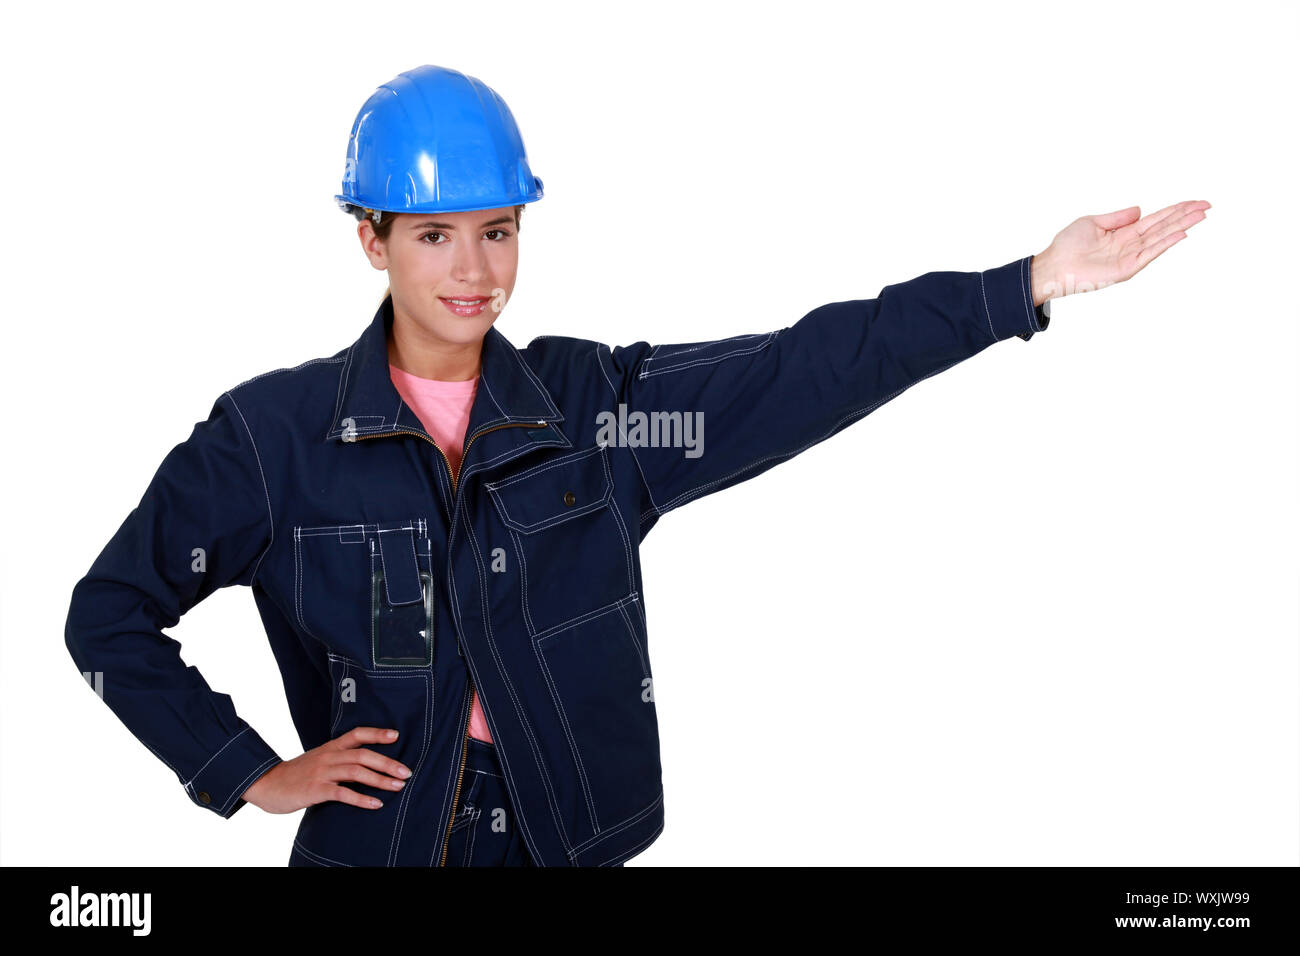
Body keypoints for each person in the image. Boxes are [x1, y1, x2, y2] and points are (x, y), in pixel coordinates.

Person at [64, 64, 1210, 867]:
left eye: (498, 228)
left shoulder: (597, 416)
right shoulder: (272, 439)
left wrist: (1020, 287)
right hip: (381, 849)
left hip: (569, 836)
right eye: (432, 234)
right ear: (370, 238)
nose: (475, 269)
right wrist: (246, 768)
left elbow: (803, 366)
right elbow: (108, 613)